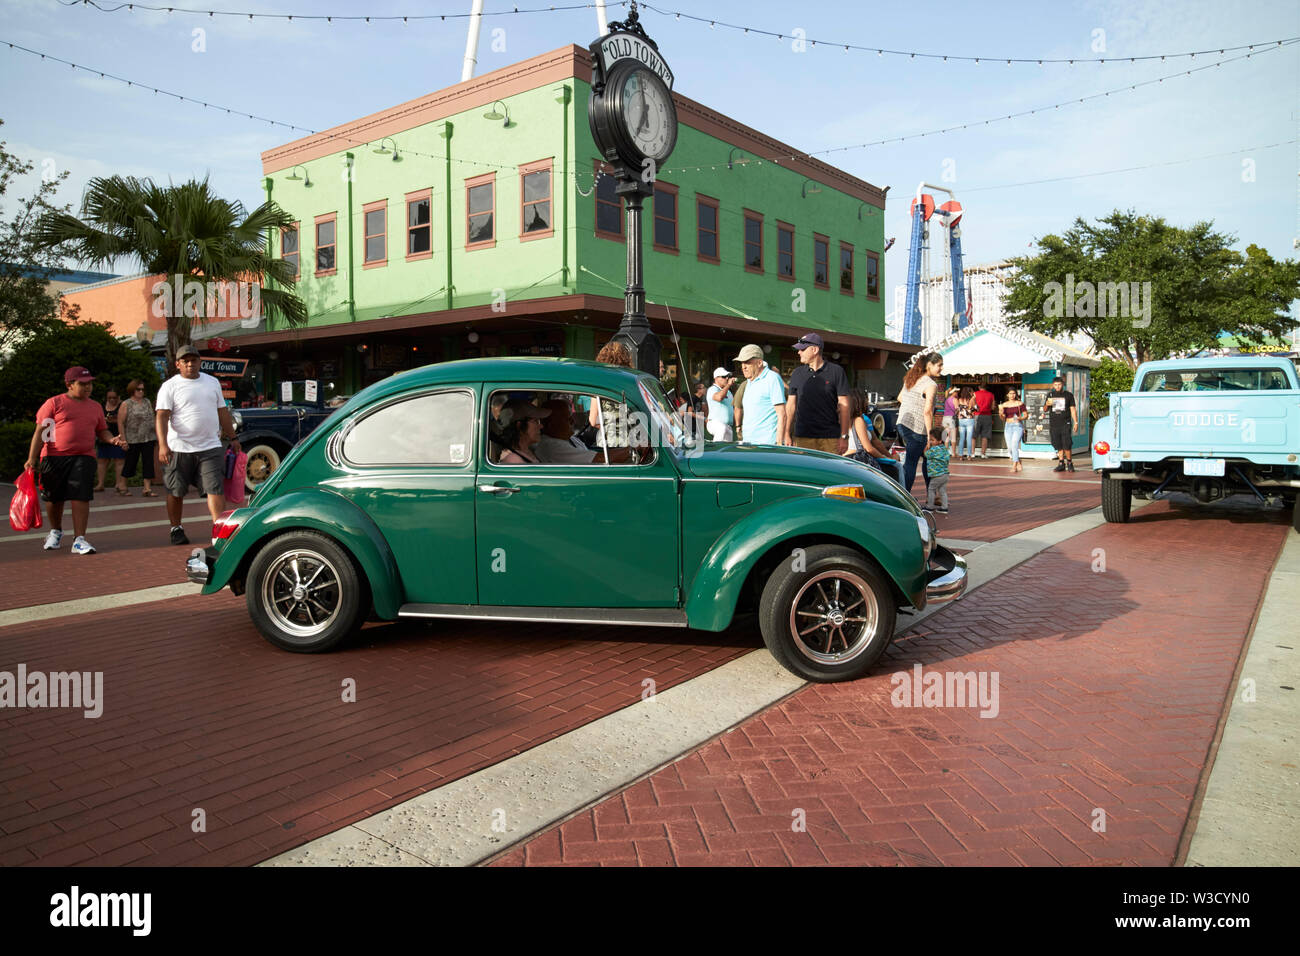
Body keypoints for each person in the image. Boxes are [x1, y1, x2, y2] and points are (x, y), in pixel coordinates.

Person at [24, 366, 127, 555]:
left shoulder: (95, 406)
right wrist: (32, 458)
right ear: (69, 384)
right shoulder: (54, 403)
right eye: (83, 384)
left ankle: (79, 539)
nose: (88, 388)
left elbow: (101, 430)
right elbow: (40, 432)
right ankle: (55, 531)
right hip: (53, 457)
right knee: (54, 498)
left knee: (81, 496)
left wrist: (111, 439)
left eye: (90, 384)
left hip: (84, 456)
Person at [155, 345, 241, 545]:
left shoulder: (212, 383)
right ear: (178, 364)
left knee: (215, 489)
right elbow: (161, 416)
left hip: (210, 446)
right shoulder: (169, 386)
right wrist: (163, 445)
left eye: (193, 360)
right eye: (185, 361)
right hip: (179, 448)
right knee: (175, 491)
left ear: (200, 362)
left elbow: (222, 412)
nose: (190, 364)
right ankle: (176, 528)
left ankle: (220, 530)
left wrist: (233, 437)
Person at [785, 332, 851, 453]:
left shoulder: (837, 371)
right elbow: (790, 405)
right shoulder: (797, 373)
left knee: (830, 471)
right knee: (804, 472)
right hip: (802, 437)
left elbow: (844, 406)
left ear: (814, 350)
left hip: (830, 438)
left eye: (802, 349)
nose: (799, 352)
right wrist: (786, 433)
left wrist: (844, 436)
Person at [895, 350, 944, 493]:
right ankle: (905, 497)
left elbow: (900, 398)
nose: (941, 368)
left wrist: (914, 404)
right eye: (939, 365)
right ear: (929, 365)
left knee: (927, 458)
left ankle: (932, 494)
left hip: (902, 424)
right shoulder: (930, 384)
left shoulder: (912, 379)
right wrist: (930, 436)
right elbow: (927, 411)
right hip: (917, 427)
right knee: (912, 462)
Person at [733, 344, 787, 446]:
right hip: (748, 444)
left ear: (759, 363)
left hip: (768, 446)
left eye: (747, 362)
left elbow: (782, 414)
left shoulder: (772, 378)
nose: (743, 367)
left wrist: (779, 444)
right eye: (742, 363)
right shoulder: (749, 382)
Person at [846, 391, 903, 484]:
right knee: (895, 469)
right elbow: (868, 448)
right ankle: (902, 497)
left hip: (849, 459)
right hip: (857, 459)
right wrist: (887, 458)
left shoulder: (847, 419)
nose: (867, 403)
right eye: (866, 400)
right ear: (859, 402)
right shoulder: (859, 420)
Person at [117, 379, 158, 496]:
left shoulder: (147, 402)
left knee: (148, 462)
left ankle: (147, 488)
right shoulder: (126, 404)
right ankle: (122, 485)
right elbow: (121, 422)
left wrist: (157, 433)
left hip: (148, 437)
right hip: (132, 438)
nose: (141, 392)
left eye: (142, 389)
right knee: (130, 462)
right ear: (132, 390)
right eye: (138, 389)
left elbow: (152, 418)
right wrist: (123, 439)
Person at [95, 387, 129, 495]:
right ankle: (100, 484)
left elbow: (126, 420)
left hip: (119, 436)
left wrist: (115, 420)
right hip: (104, 437)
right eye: (109, 398)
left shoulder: (122, 405)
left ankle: (119, 484)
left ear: (118, 397)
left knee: (119, 461)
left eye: (114, 397)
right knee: (102, 460)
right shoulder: (101, 406)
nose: (112, 400)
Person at [1042, 375, 1079, 472]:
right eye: (1055, 385)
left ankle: (1070, 463)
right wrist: (1047, 404)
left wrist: (1076, 422)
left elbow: (1073, 409)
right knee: (1058, 444)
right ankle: (1061, 463)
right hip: (1054, 423)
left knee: (1067, 444)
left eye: (1059, 384)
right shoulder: (1050, 395)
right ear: (1053, 385)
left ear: (1062, 384)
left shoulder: (1068, 395)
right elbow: (1045, 409)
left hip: (1065, 423)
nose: (1057, 386)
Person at [498, 399, 549, 464]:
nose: (541, 426)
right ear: (519, 426)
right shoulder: (514, 460)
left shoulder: (528, 452)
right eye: (535, 421)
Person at [999, 388, 1027, 473]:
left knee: (1014, 444)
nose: (1012, 395)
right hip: (1008, 426)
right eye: (1010, 393)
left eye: (1014, 393)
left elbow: (1026, 415)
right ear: (1007, 395)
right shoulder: (1004, 405)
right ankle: (1018, 460)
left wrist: (1020, 418)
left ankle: (1014, 465)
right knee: (1010, 448)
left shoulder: (1020, 404)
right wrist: (1001, 414)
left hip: (1017, 425)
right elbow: (1003, 418)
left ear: (1016, 394)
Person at [923, 426, 951, 513]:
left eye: (932, 440)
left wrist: (926, 447)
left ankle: (930, 507)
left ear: (939, 441)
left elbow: (926, 454)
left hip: (937, 475)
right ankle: (944, 507)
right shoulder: (945, 449)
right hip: (945, 474)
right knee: (942, 491)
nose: (930, 441)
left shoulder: (934, 449)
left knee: (931, 489)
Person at [705, 367, 735, 441]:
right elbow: (719, 397)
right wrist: (728, 385)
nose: (727, 378)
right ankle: (715, 450)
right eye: (724, 377)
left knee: (727, 449)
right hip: (714, 423)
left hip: (728, 425)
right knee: (721, 428)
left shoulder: (728, 392)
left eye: (728, 377)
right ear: (716, 378)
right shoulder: (712, 389)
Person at [971, 378, 996, 459]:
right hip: (987, 415)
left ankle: (973, 453)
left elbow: (971, 403)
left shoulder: (975, 394)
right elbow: (992, 407)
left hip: (977, 415)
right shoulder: (991, 395)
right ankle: (983, 453)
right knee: (985, 436)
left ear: (979, 387)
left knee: (974, 435)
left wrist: (976, 407)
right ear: (987, 387)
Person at [955, 387, 976, 460]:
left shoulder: (960, 400)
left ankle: (961, 455)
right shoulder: (971, 399)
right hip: (969, 419)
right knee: (969, 438)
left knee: (961, 438)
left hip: (961, 420)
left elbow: (957, 409)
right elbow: (976, 408)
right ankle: (969, 455)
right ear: (970, 392)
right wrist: (974, 397)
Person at [941, 386, 960, 456]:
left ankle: (945, 452)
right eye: (956, 391)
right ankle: (953, 453)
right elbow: (957, 409)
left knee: (947, 436)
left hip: (945, 418)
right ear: (953, 393)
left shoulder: (946, 399)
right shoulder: (955, 399)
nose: (957, 393)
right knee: (953, 436)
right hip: (952, 418)